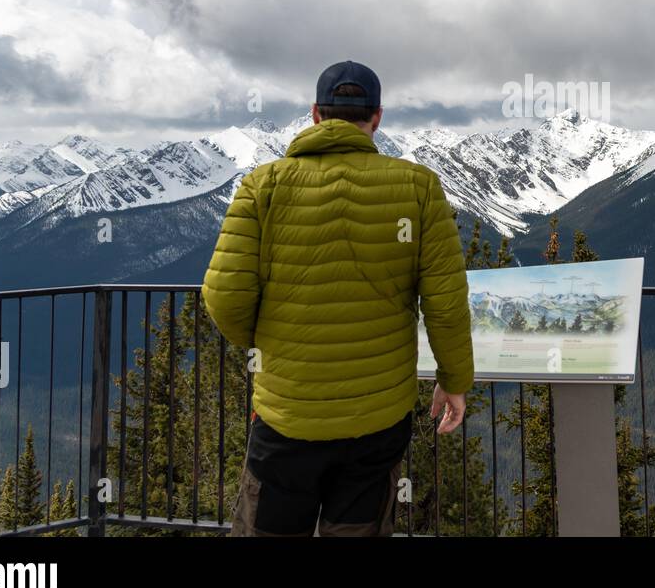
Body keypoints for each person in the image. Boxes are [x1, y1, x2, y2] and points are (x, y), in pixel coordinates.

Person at [202, 60, 474, 536]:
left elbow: (224, 296)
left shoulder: (261, 186)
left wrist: (271, 341)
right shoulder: (418, 187)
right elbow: (445, 304)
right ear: (377, 117)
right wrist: (454, 379)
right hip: (377, 419)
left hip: (286, 414)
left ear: (314, 114)